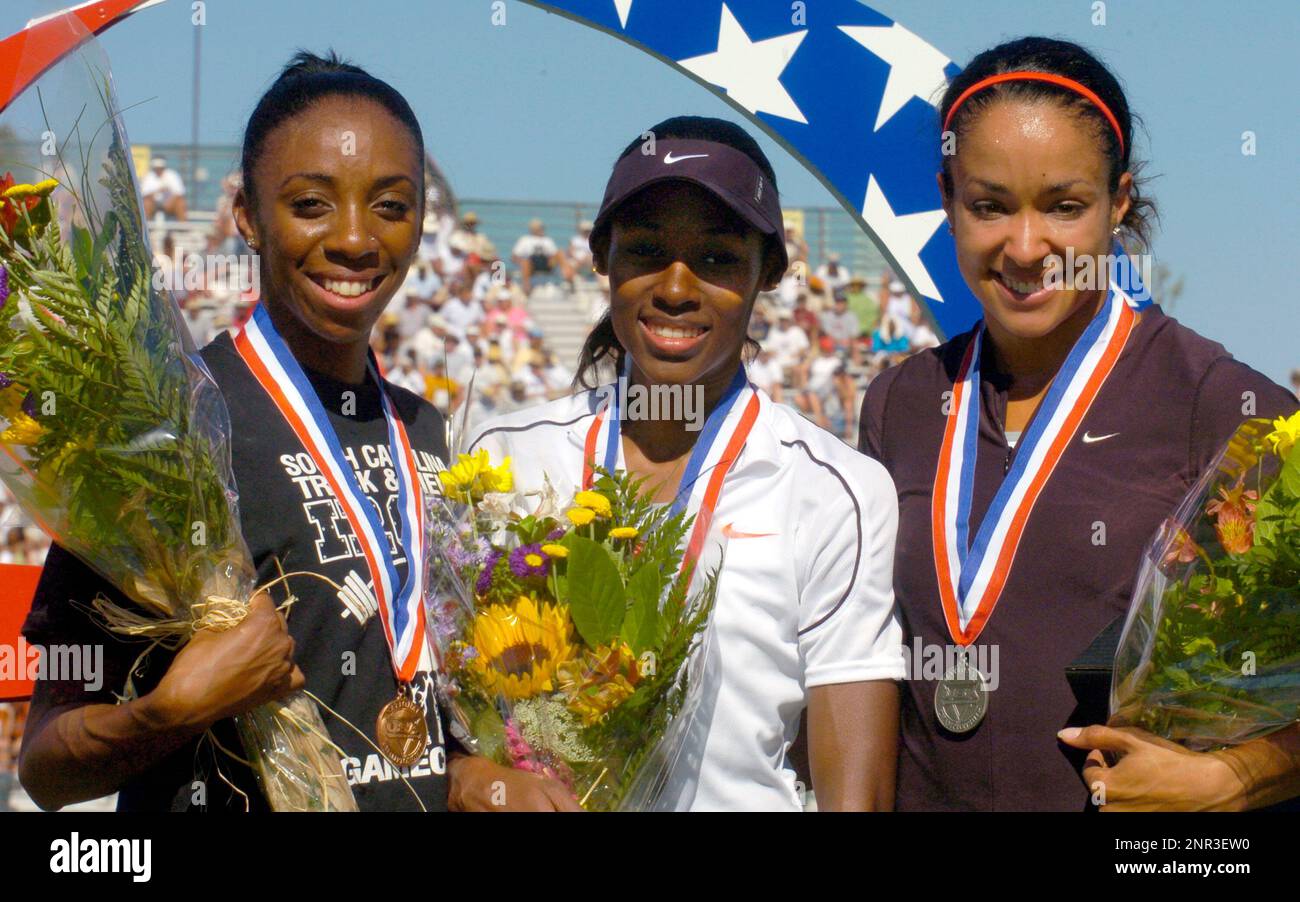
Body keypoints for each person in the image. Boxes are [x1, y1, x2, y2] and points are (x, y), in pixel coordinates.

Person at [859, 36, 1300, 811]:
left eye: (1064, 206)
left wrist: (1237, 778)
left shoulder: (1219, 403)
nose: (1026, 248)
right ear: (946, 197)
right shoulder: (899, 403)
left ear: (1119, 202)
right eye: (989, 205)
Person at [18, 51, 450, 812]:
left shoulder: (430, 433)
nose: (356, 238)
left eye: (390, 204)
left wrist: (470, 774)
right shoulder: (154, 432)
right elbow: (46, 769)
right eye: (312, 204)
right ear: (245, 214)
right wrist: (168, 712)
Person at [456, 116, 904, 812]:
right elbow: (446, 731)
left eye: (719, 259)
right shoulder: (505, 455)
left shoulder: (834, 489)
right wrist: (475, 784)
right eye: (645, 250)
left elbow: (856, 796)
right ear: (602, 257)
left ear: (771, 272)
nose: (674, 287)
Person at [139, 156, 188, 222]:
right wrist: (157, 192)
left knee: (180, 203)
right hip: (153, 204)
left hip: (170, 203)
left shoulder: (172, 175)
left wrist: (169, 201)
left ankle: (183, 228)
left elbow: (179, 192)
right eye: (157, 168)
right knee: (146, 204)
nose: (159, 170)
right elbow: (143, 194)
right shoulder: (148, 176)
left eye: (160, 168)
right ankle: (146, 227)